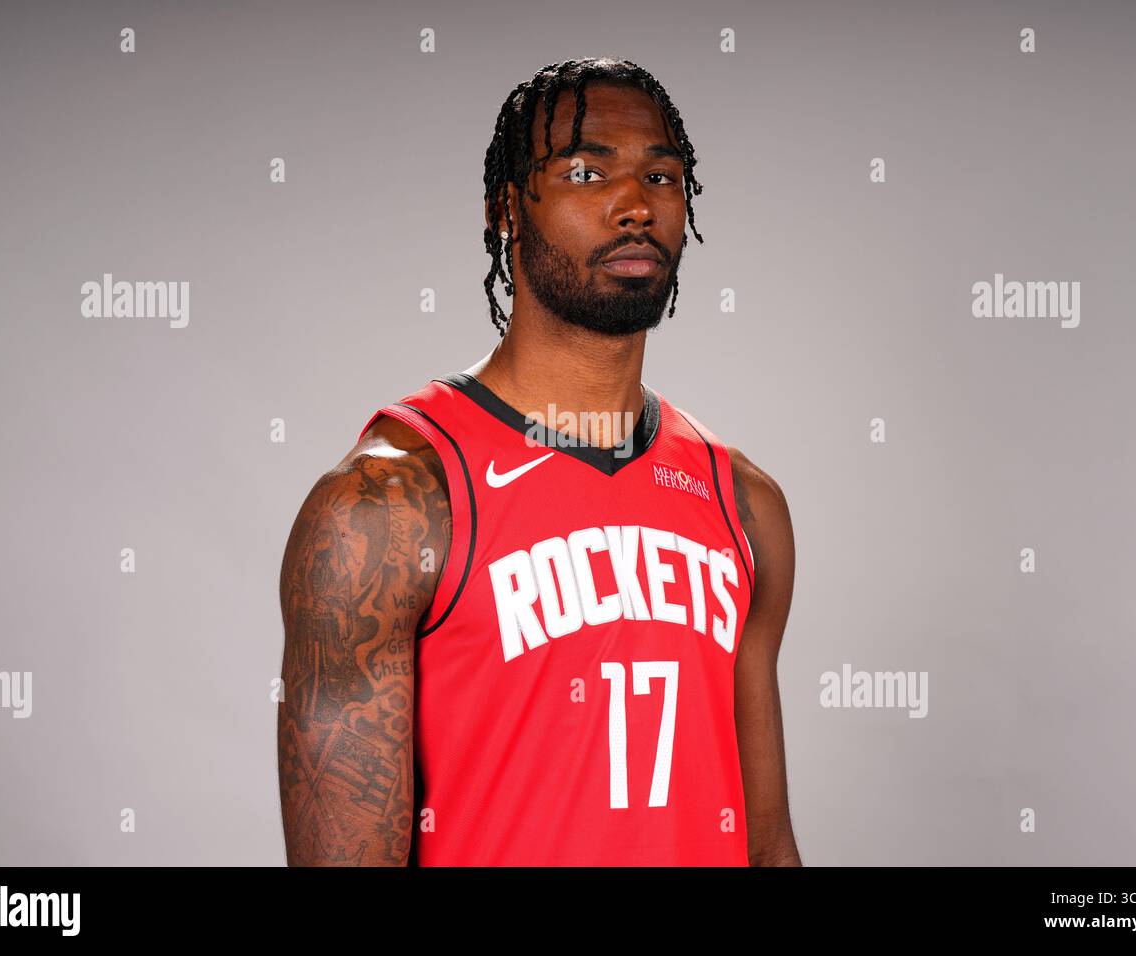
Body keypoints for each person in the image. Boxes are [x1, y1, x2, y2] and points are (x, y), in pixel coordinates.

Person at [277, 57, 800, 866]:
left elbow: (767, 852)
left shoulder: (744, 505)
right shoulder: (388, 505)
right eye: (586, 171)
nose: (635, 205)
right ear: (506, 210)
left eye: (661, 175)